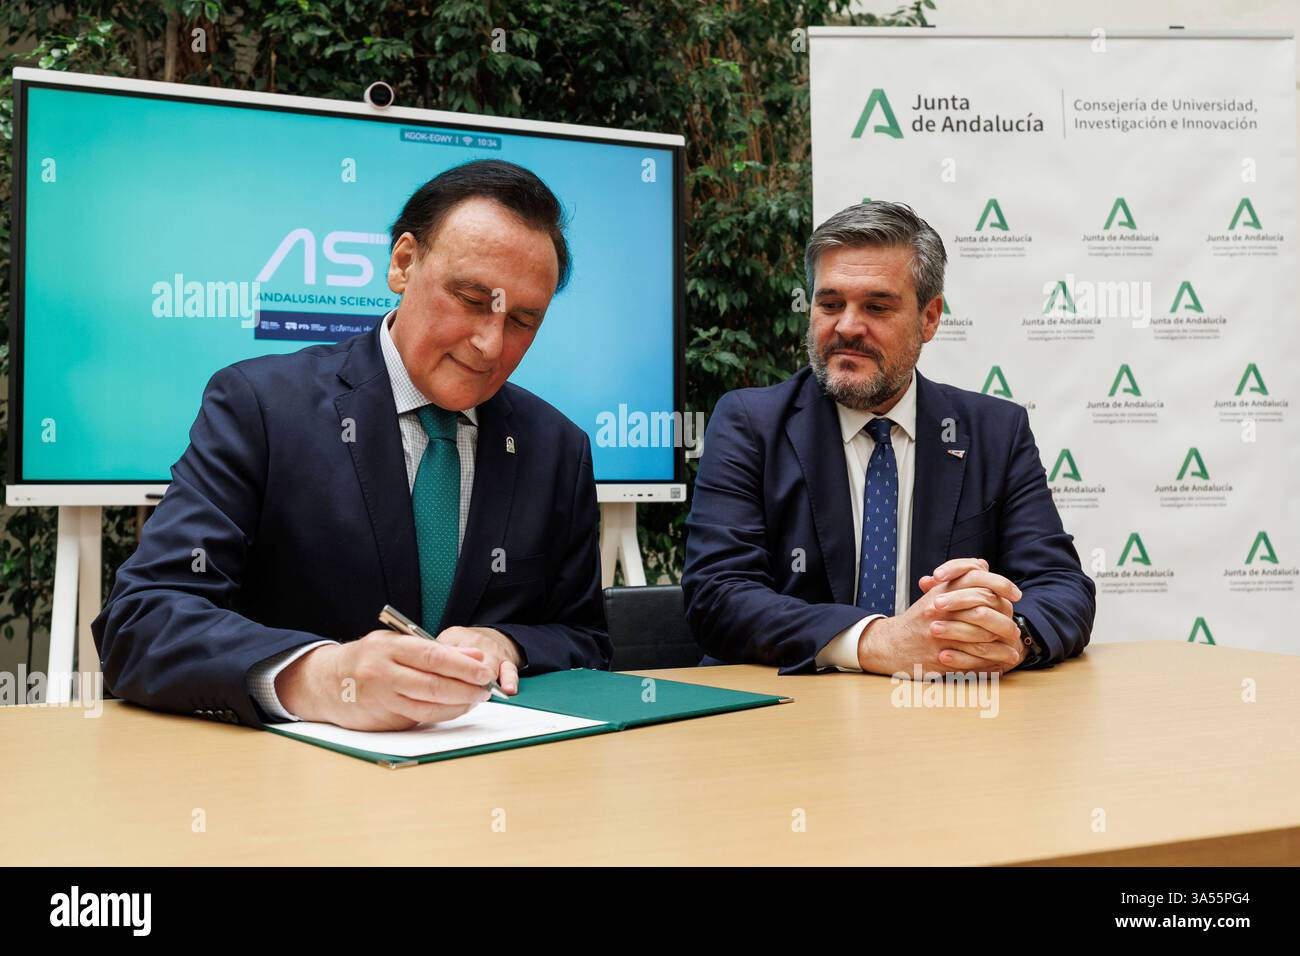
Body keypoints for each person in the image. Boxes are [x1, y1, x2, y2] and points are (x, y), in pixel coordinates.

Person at [93, 159, 610, 729]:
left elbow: (585, 639)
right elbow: (142, 620)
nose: (490, 344)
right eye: (470, 298)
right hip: (285, 791)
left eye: (522, 321)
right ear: (403, 263)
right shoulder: (262, 407)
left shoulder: (557, 449)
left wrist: (509, 645)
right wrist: (319, 675)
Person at [683, 200, 1094, 676]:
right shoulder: (750, 424)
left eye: (877, 307)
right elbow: (717, 596)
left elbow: (1062, 585)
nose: (847, 326)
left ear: (930, 318)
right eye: (830, 304)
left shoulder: (994, 432)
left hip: (949, 716)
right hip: (794, 716)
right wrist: (875, 640)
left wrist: (1010, 635)